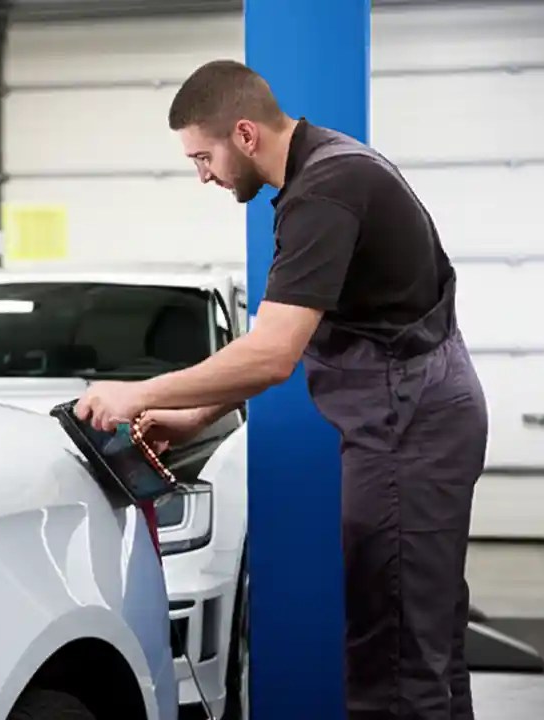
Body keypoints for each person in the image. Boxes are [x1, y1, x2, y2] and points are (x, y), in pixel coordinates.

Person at [73, 59, 489, 720]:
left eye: (202, 156)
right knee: (422, 640)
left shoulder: (326, 189)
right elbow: (298, 341)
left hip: (410, 426)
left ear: (243, 134)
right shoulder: (327, 172)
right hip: (414, 415)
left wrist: (140, 396)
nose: (202, 174)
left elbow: (271, 355)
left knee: (396, 655)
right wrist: (190, 416)